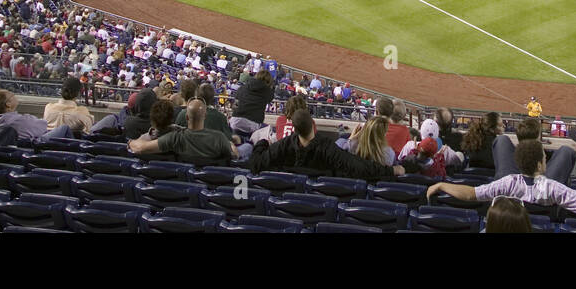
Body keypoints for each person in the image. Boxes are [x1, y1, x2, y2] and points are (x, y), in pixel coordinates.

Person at [428, 139, 576, 215]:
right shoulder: (553, 188)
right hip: (545, 214)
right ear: (540, 165)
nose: (546, 158)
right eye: (544, 157)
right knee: (566, 152)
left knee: (502, 140)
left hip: (510, 213)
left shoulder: (507, 183)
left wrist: (442, 185)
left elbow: (471, 194)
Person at [250, 109, 405, 180]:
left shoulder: (284, 145)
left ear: (295, 129)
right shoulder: (327, 146)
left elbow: (256, 163)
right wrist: (391, 170)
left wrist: (262, 143)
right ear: (312, 123)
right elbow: (358, 166)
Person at [130, 99, 235, 166]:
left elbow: (140, 148)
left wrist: (130, 142)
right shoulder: (219, 138)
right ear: (205, 116)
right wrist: (231, 144)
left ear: (186, 117)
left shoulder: (175, 138)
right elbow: (235, 156)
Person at [229, 68, 273, 139]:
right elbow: (270, 98)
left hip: (235, 120)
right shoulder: (267, 91)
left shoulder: (244, 87)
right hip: (253, 123)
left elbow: (235, 103)